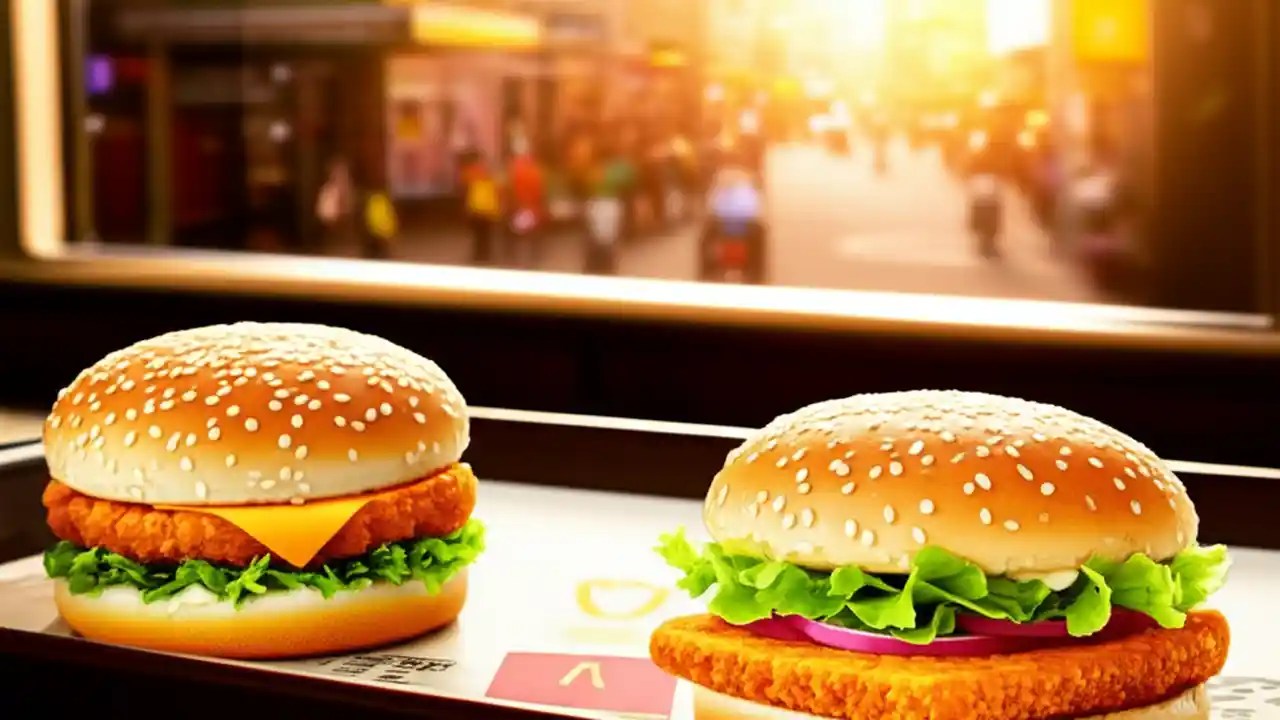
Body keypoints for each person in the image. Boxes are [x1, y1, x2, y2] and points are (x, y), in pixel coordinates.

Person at [504, 137, 546, 269]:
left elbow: (508, 188)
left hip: (517, 207)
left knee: (514, 234)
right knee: (533, 234)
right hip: (532, 207)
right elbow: (540, 191)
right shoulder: (536, 170)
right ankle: (534, 259)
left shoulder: (513, 169)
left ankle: (513, 258)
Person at [460, 152, 501, 266]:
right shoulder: (487, 173)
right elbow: (496, 189)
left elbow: (465, 188)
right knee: (484, 235)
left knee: (480, 235)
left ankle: (478, 255)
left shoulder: (470, 173)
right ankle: (484, 255)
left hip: (478, 209)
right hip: (485, 209)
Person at [315, 157, 356, 254]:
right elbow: (324, 218)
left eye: (344, 173)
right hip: (333, 245)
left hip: (352, 244)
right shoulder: (327, 194)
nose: (341, 176)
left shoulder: (352, 193)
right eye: (338, 173)